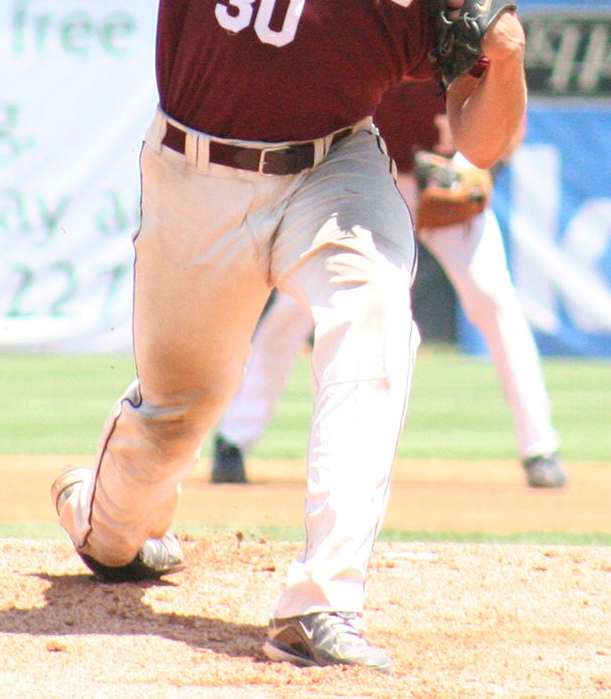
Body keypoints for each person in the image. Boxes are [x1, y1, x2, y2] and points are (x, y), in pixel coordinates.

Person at [12, 0, 527, 674]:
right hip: (195, 171)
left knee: (374, 311)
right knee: (176, 412)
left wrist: (504, 52)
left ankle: (319, 598)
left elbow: (478, 146)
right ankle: (104, 523)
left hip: (333, 169)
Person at [210, 76, 566, 490]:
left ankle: (540, 446)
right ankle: (234, 439)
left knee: (494, 298)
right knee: (294, 306)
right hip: (370, 187)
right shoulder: (378, 24)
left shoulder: (470, 28)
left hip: (446, 181)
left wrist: (477, 171)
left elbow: (510, 117)